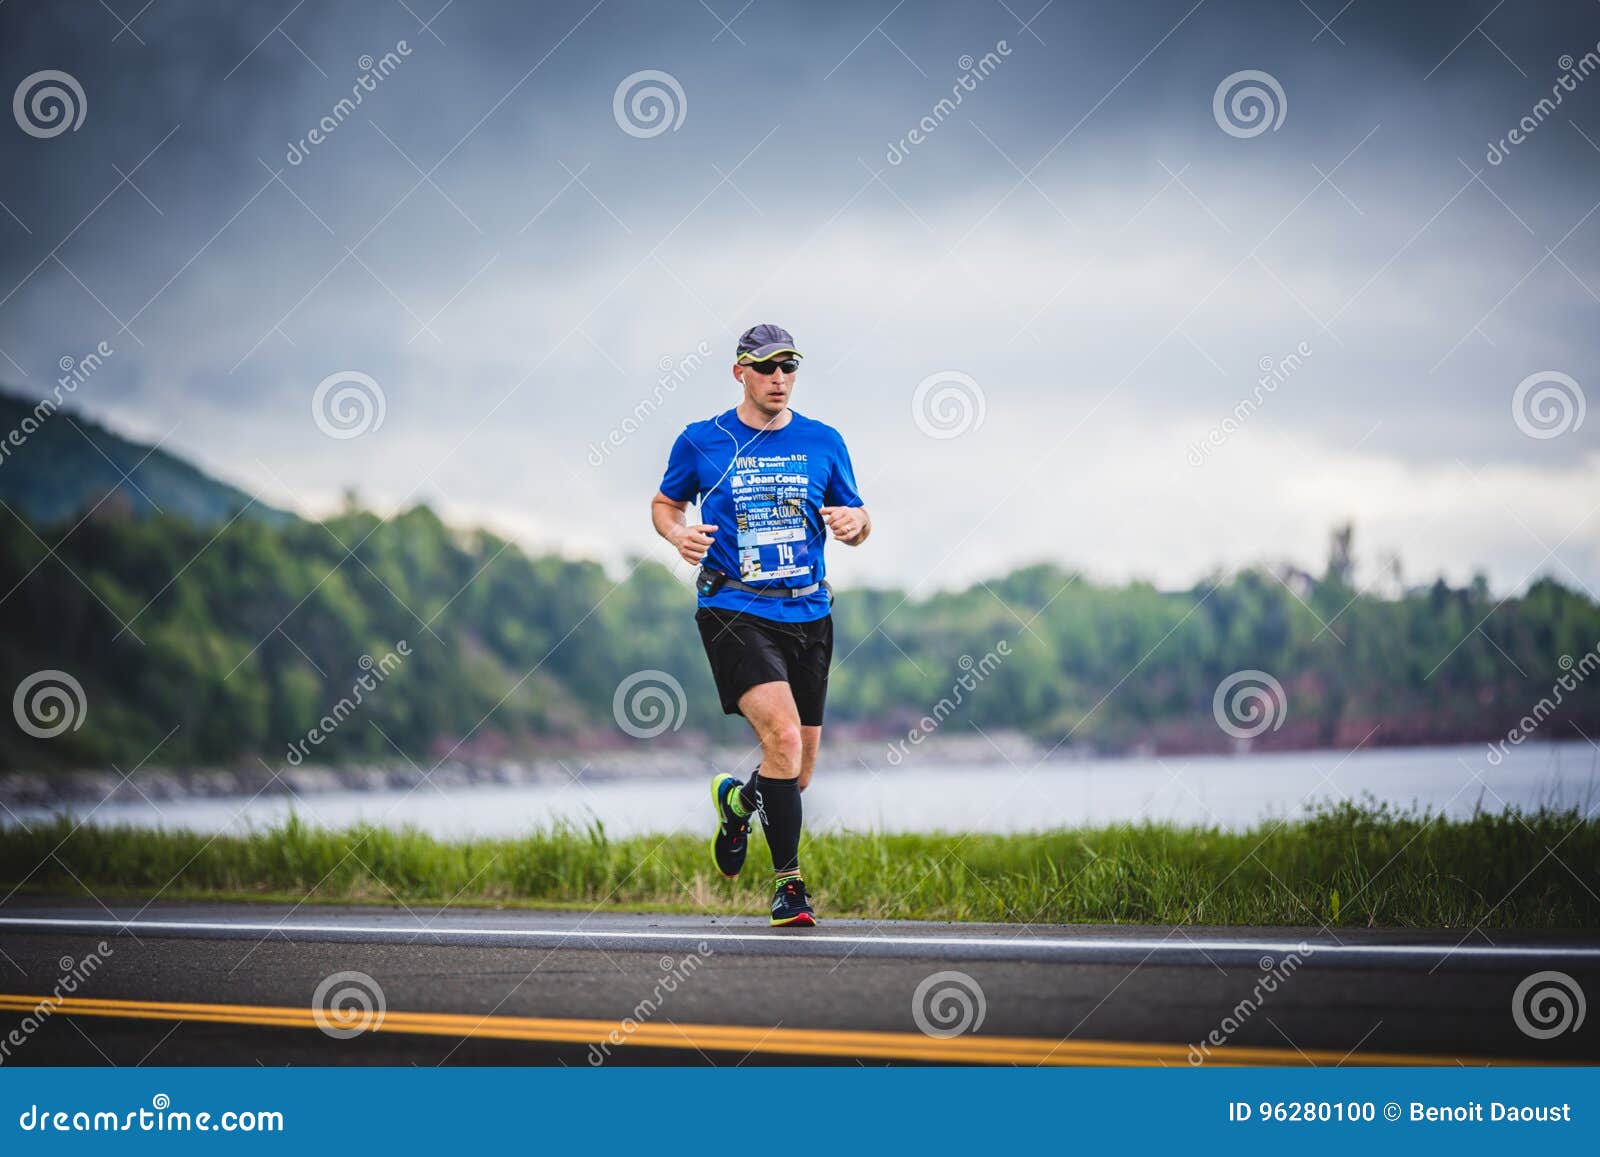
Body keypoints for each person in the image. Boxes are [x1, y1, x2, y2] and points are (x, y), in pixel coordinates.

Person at [650, 324, 872, 926]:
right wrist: (677, 534)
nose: (779, 378)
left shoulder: (823, 441)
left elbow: (857, 512)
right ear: (739, 372)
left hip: (810, 612)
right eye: (766, 366)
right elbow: (665, 503)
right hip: (734, 608)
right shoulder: (702, 441)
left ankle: (738, 801)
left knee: (794, 774)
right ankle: (789, 887)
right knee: (783, 739)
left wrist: (856, 525)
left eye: (789, 366)